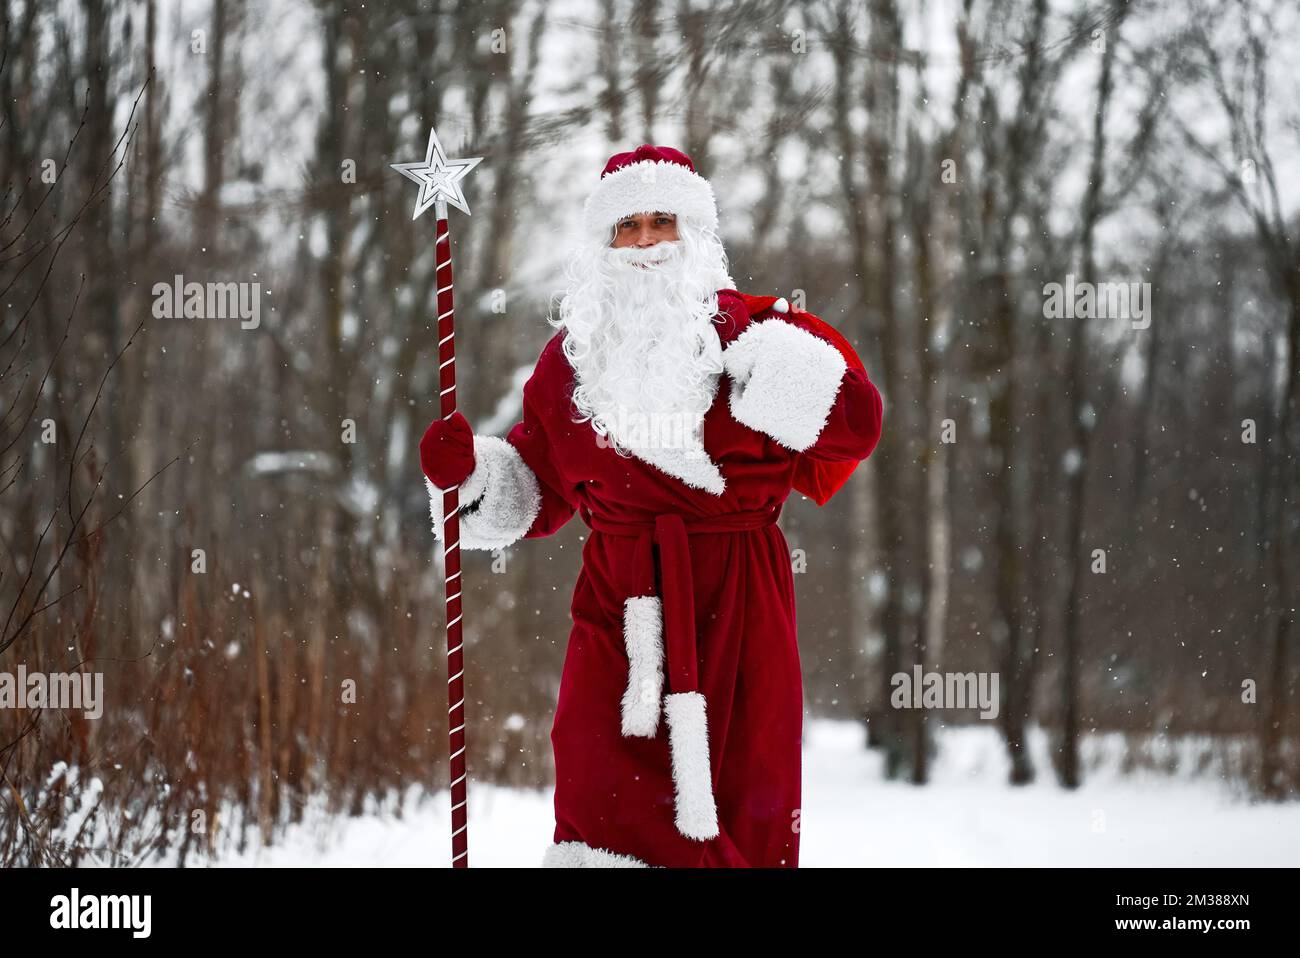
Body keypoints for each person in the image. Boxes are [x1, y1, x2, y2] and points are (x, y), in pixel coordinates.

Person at [419, 144, 884, 867]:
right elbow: (536, 488)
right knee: (602, 805)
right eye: (626, 226)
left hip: (741, 610)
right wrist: (470, 475)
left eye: (662, 221)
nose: (643, 243)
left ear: (695, 234)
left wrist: (788, 381)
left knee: (747, 809)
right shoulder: (572, 361)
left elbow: (857, 426)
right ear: (602, 244)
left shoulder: (764, 336)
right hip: (619, 614)